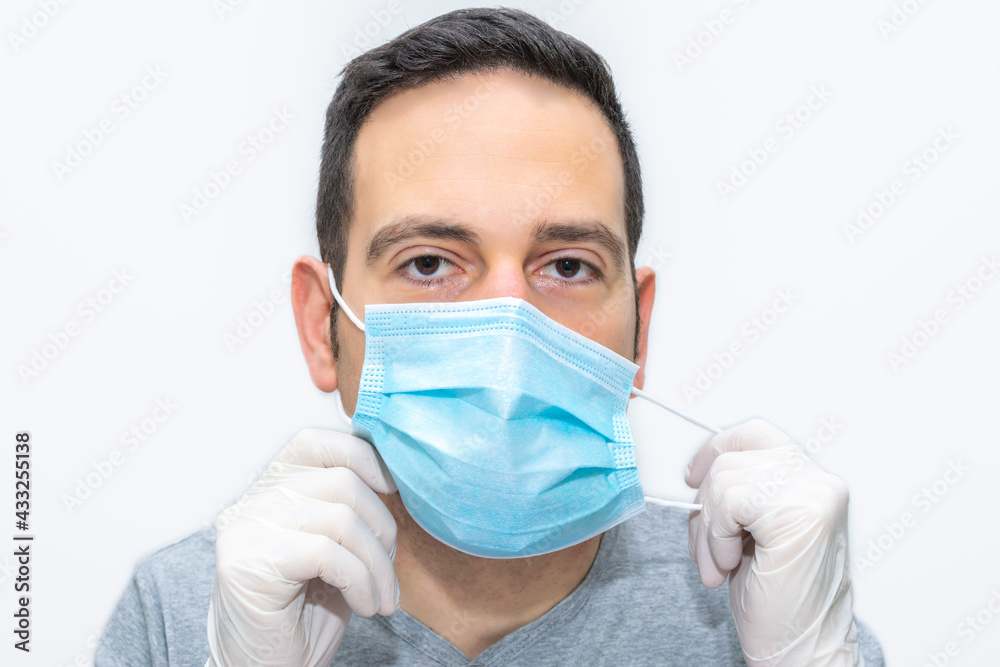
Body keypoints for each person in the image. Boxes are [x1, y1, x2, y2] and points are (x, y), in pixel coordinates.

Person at [97, 8, 885, 666]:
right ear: (320, 322)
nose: (511, 327)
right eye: (429, 262)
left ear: (638, 331)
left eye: (567, 265)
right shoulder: (190, 613)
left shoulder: (770, 614)